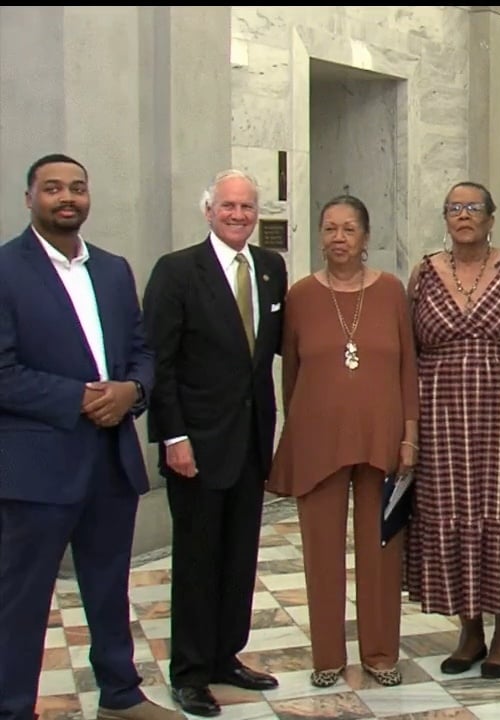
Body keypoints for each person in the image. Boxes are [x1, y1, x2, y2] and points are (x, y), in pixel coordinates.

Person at [0, 155, 182, 720]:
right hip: (38, 467)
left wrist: (133, 391)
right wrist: (78, 397)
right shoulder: (6, 270)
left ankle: (121, 696)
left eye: (77, 187)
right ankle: (11, 706)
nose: (67, 197)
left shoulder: (112, 268)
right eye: (53, 188)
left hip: (110, 462)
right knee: (22, 600)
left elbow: (141, 351)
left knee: (109, 588)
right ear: (29, 197)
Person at [142, 170, 286, 715]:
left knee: (239, 559)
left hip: (250, 445)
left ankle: (227, 656)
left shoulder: (270, 269)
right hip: (196, 447)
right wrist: (173, 437)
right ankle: (190, 671)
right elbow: (161, 362)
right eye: (228, 207)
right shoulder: (177, 271)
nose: (238, 215)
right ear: (208, 211)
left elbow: (276, 353)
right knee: (198, 562)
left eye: (247, 207)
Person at [265, 195, 417, 688]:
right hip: (318, 438)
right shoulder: (301, 295)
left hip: (383, 437)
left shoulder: (392, 291)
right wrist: (299, 425)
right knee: (320, 550)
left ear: (366, 237)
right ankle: (328, 656)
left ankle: (379, 654)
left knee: (381, 550)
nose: (338, 238)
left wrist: (410, 435)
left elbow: (408, 369)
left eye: (349, 229)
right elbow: (291, 370)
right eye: (329, 229)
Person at [404, 181, 500, 680]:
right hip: (440, 416)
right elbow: (407, 351)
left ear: (491, 217)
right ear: (445, 218)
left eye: (474, 208)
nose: (464, 215)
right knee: (452, 510)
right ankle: (469, 630)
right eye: (454, 208)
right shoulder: (423, 272)